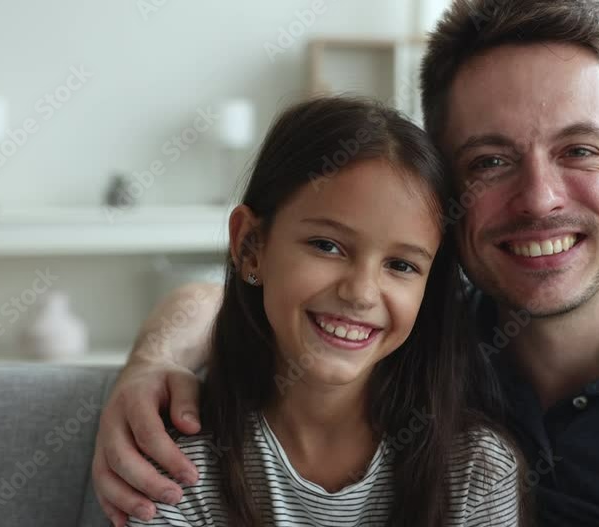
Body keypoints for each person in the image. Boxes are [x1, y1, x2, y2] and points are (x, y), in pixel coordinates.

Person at [95, 0, 599, 525]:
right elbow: (262, 294)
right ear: (444, 203)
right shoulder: (425, 345)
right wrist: (153, 362)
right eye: (490, 161)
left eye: (578, 151)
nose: (539, 199)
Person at [119, 96, 524, 526]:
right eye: (327, 246)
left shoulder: (476, 473)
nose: (361, 293)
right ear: (251, 247)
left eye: (401, 265)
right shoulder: (177, 465)